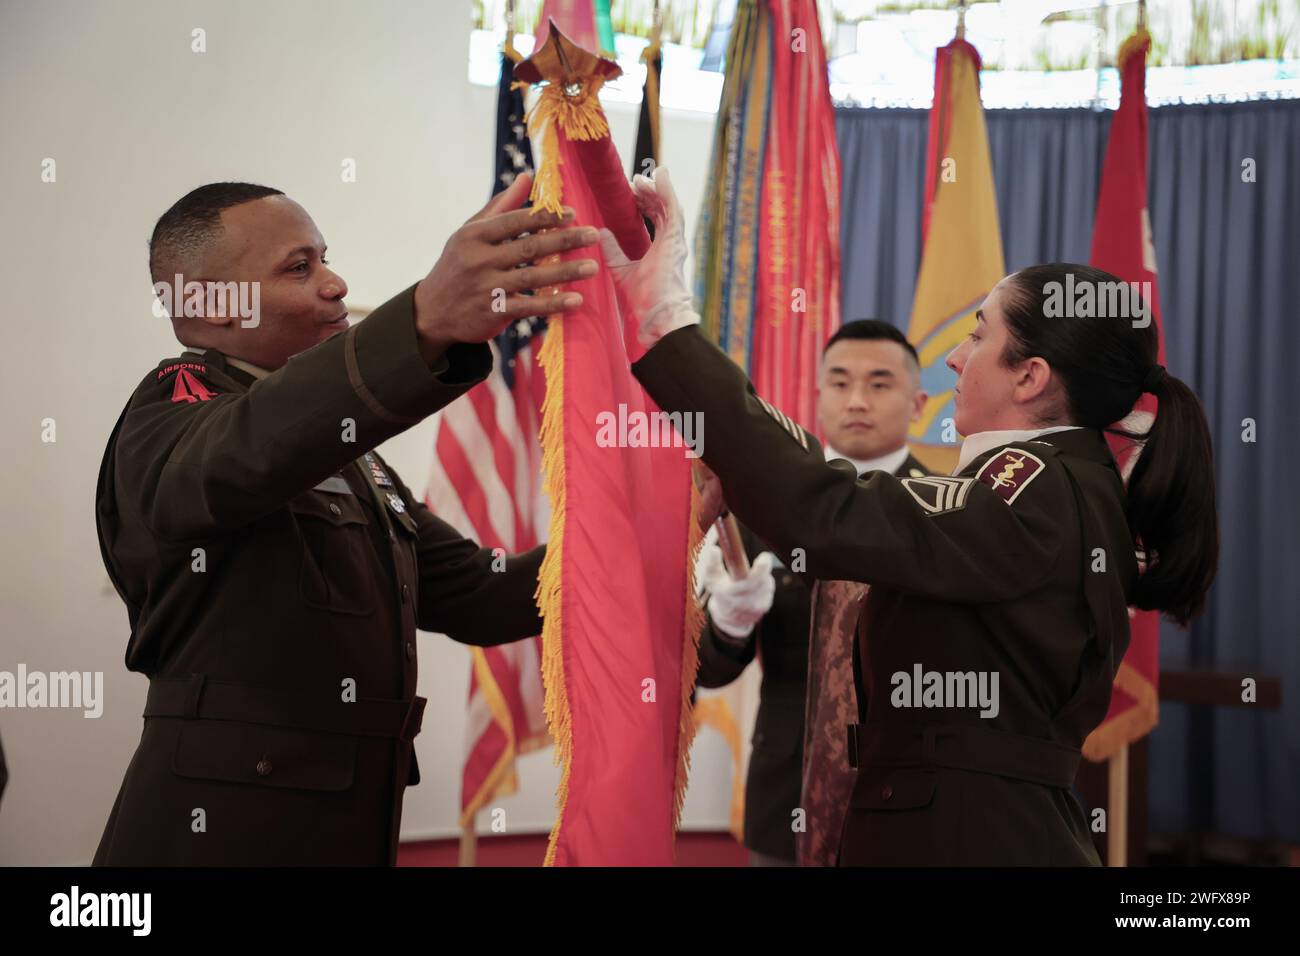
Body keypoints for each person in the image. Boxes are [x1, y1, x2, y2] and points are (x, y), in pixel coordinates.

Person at [605, 168, 1219, 865]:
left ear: (1030, 377)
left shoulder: (1036, 485)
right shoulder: (1055, 481)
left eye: (978, 336)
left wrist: (666, 318)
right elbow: (835, 504)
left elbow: (830, 511)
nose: (954, 358)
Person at [94, 174, 598, 865]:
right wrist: (420, 320)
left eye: (324, 257)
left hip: (346, 829)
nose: (334, 284)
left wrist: (637, 523)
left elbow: (485, 596)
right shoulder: (170, 413)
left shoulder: (348, 455)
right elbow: (247, 451)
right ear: (206, 305)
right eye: (300, 268)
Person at [693, 320, 931, 866]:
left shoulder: (948, 509)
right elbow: (709, 670)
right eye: (840, 382)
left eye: (878, 384)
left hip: (913, 795)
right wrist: (730, 621)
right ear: (818, 394)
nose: (856, 400)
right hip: (787, 794)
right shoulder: (765, 508)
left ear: (917, 403)